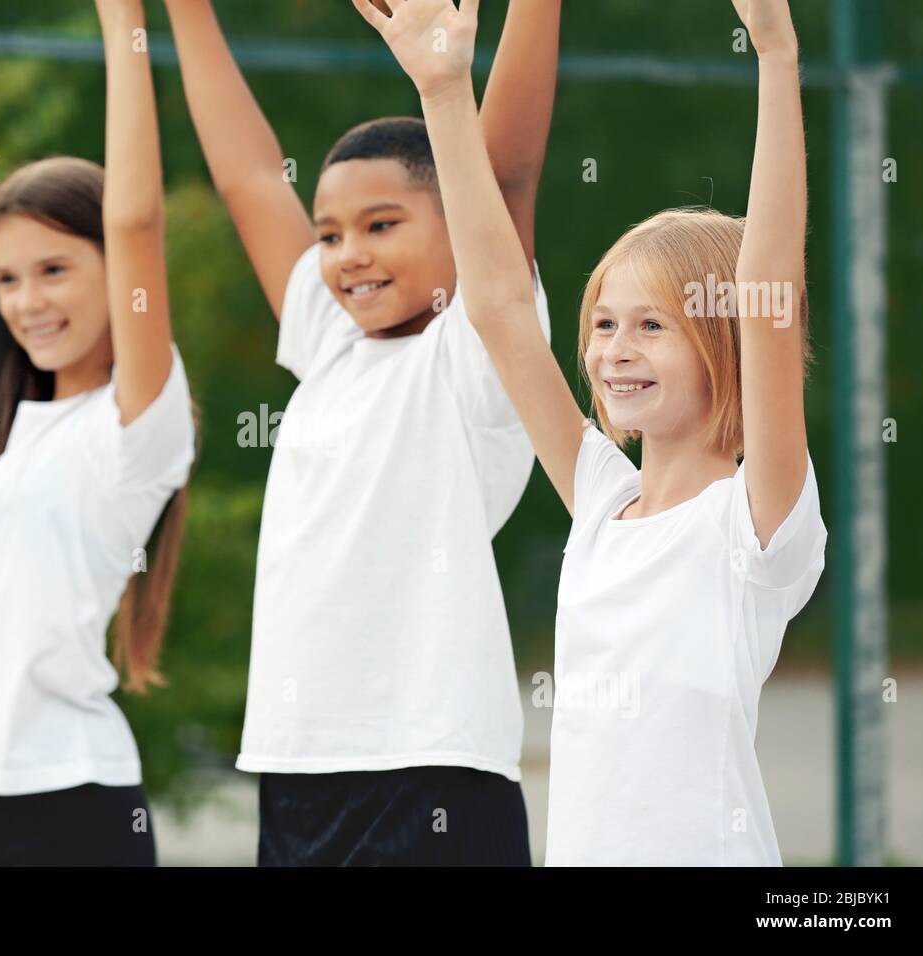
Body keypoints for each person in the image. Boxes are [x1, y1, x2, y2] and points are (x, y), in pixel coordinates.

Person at [354, 0, 825, 865]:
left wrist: (775, 53)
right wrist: (444, 92)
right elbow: (496, 303)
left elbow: (767, 289)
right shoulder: (603, 503)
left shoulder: (756, 524)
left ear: (722, 338)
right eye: (604, 324)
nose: (613, 350)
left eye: (651, 326)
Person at [165, 0, 560, 865]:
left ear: (461, 226)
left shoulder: (477, 350)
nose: (348, 254)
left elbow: (511, 170)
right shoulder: (329, 342)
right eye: (331, 234)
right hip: (298, 764)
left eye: (382, 225)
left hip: (431, 769)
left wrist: (456, 72)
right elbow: (247, 177)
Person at [0, 0, 196, 866]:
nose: (27, 301)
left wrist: (122, 25)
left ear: (117, 272)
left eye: (57, 270)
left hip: (65, 803)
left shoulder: (136, 423)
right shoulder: (14, 421)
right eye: (7, 279)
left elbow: (136, 220)